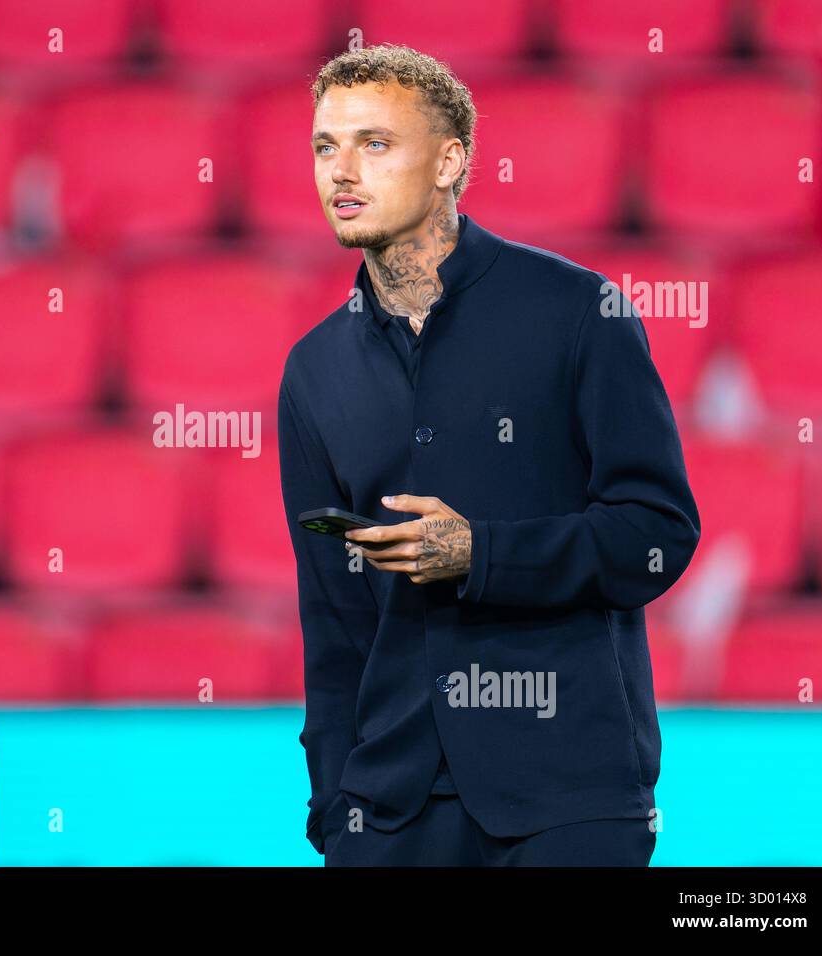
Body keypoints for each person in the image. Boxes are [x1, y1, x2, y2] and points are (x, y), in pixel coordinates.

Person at [278, 44, 700, 866]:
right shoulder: (313, 368)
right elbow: (332, 626)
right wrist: (335, 813)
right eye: (326, 146)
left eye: (375, 143)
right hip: (387, 815)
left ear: (449, 162)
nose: (341, 170)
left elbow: (657, 534)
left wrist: (482, 554)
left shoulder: (580, 311)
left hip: (570, 800)